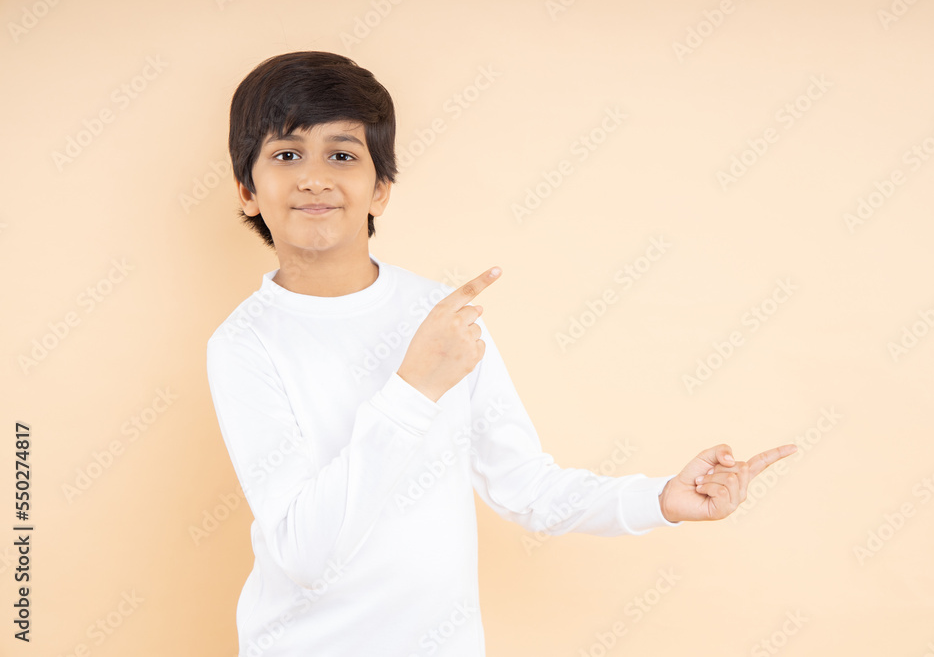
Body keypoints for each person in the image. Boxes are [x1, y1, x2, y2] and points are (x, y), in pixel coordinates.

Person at [206, 51, 797, 656]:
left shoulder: (441, 315)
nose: (314, 177)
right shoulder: (244, 345)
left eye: (342, 155)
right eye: (285, 155)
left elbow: (524, 485)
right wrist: (413, 387)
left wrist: (660, 498)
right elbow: (304, 555)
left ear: (380, 189)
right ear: (248, 190)